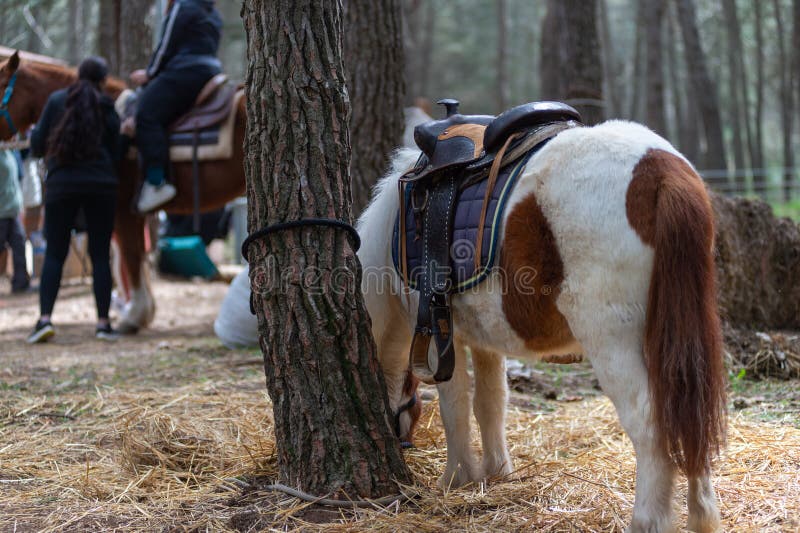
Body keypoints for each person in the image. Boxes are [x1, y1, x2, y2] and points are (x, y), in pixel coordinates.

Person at [27, 57, 121, 344]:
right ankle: (103, 324)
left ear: (77, 76)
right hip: (101, 187)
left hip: (61, 186)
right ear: (103, 81)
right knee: (100, 255)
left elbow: (36, 145)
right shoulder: (107, 106)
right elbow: (117, 152)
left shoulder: (57, 101)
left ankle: (44, 321)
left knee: (55, 253)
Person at [129, 0, 222, 213]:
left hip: (184, 71)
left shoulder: (183, 5)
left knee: (145, 115)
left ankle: (156, 182)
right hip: (211, 71)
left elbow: (165, 45)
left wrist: (150, 73)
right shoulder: (212, 12)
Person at [0, 148, 30, 294]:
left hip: (13, 209)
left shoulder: (12, 152)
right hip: (1, 211)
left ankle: (20, 283)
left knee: (19, 243)